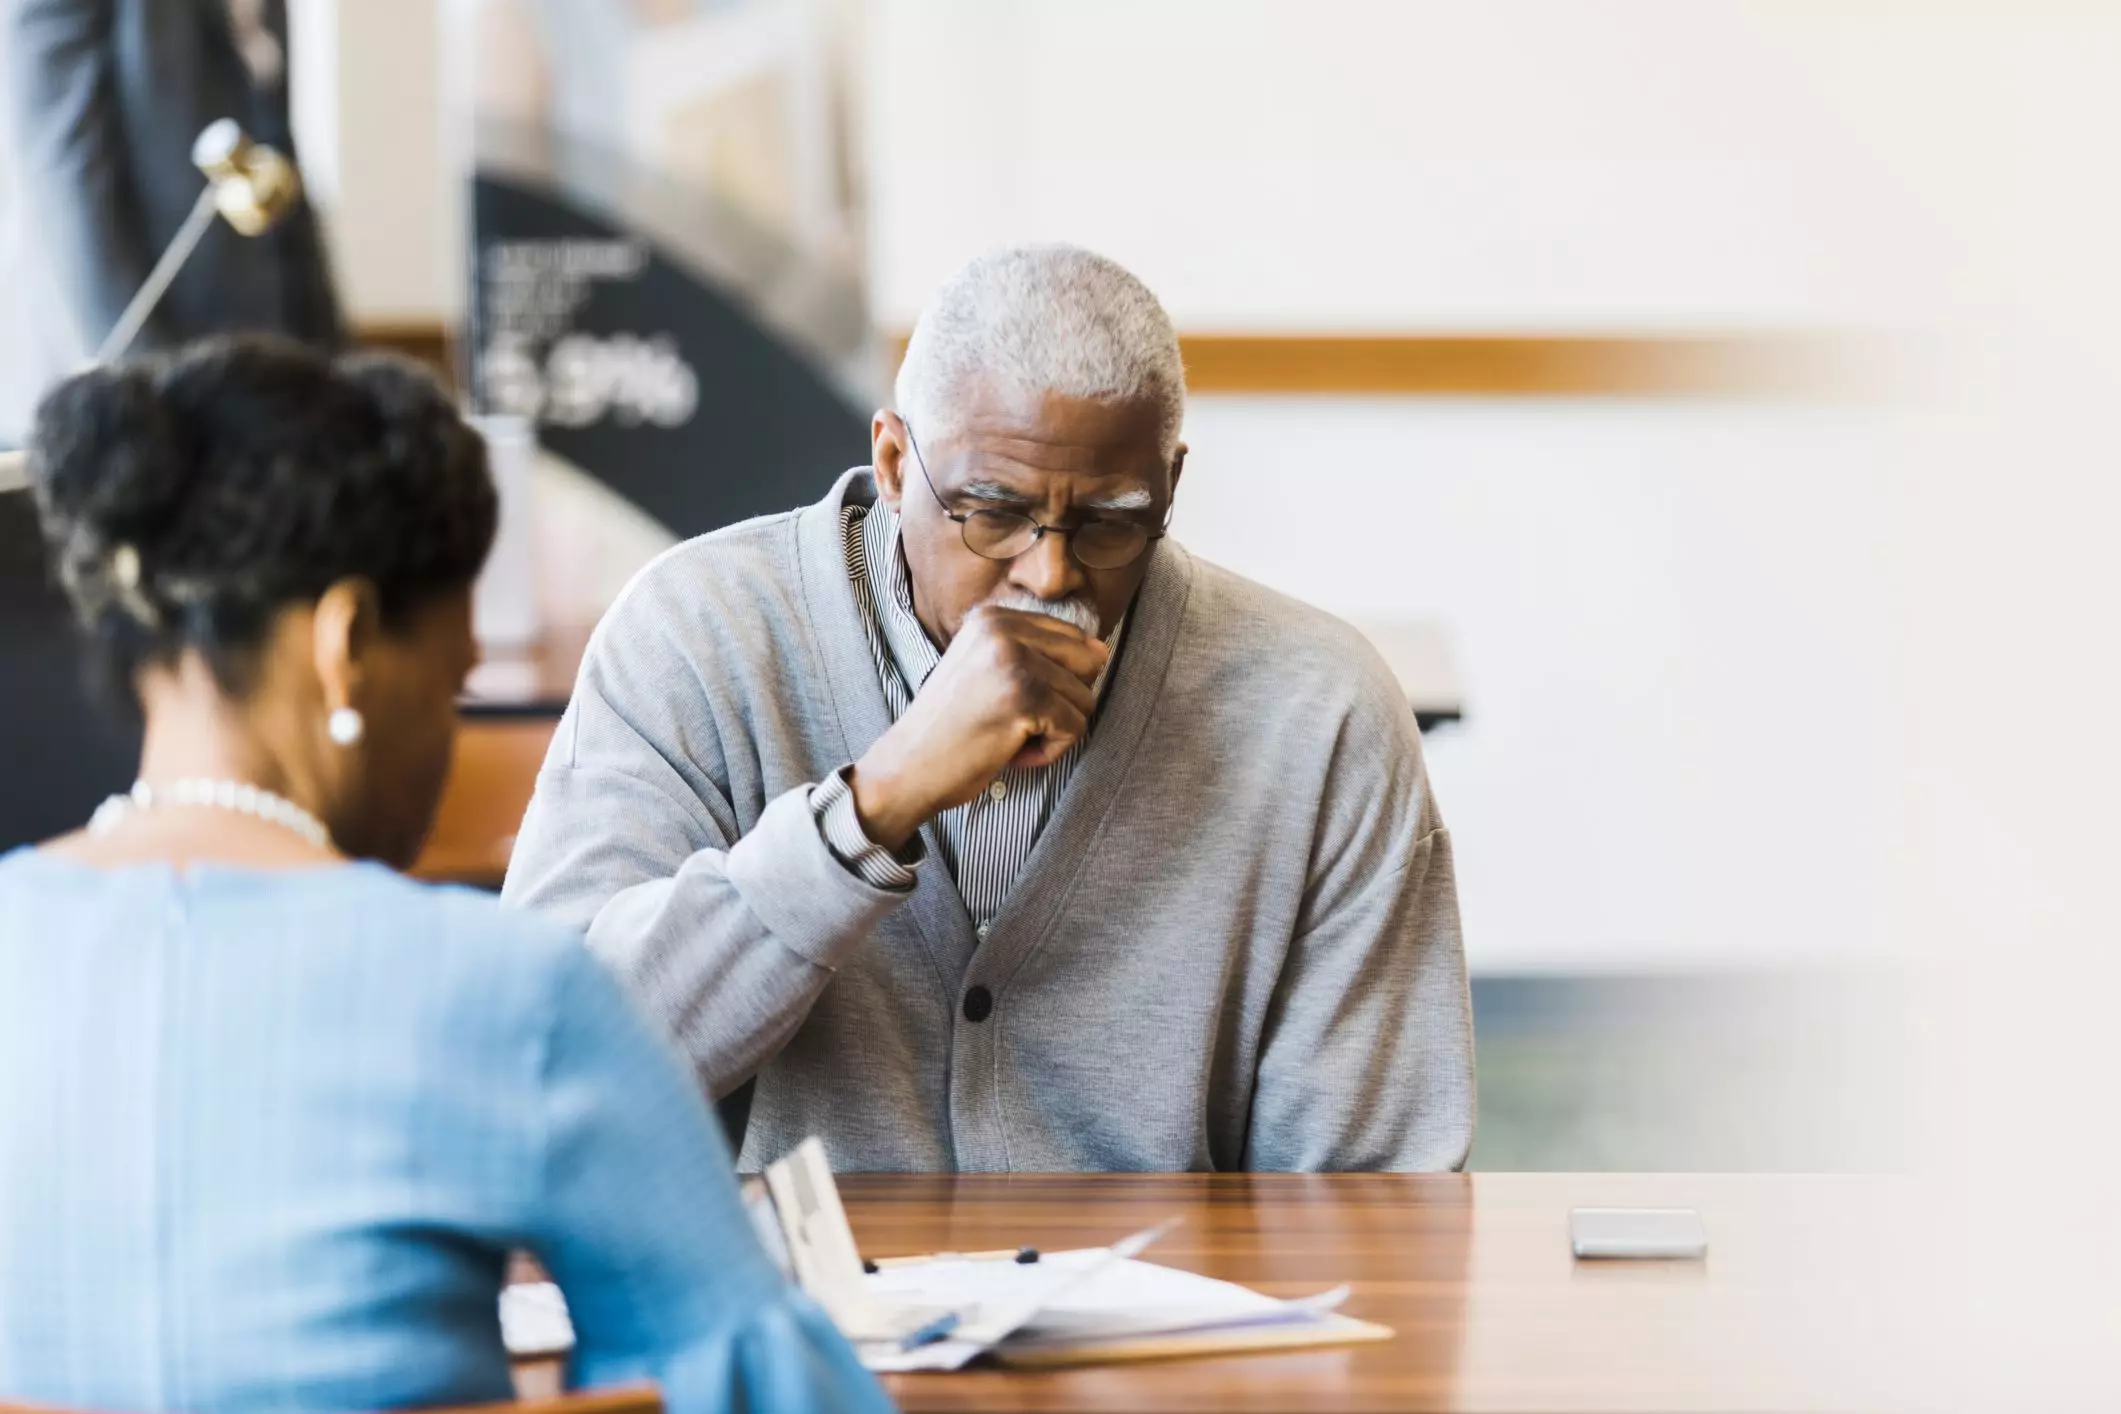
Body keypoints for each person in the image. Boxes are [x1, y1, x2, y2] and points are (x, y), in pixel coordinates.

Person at [0, 337, 889, 1414]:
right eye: (453, 683)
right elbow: (764, 1390)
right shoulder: (502, 993)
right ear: (349, 643)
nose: (448, 735)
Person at [503, 244, 1474, 1173]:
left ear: (1171, 485)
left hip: (1183, 1336)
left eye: (1111, 522)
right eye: (994, 511)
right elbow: (540, 1071)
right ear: (892, 465)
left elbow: (1374, 1189)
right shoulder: (696, 636)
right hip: (790, 1325)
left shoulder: (1319, 711)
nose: (1052, 572)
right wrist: (874, 805)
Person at [0, 0, 344, 442]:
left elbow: (275, 158)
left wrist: (331, 369)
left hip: (264, 386)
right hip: (133, 407)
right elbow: (64, 185)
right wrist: (155, 415)